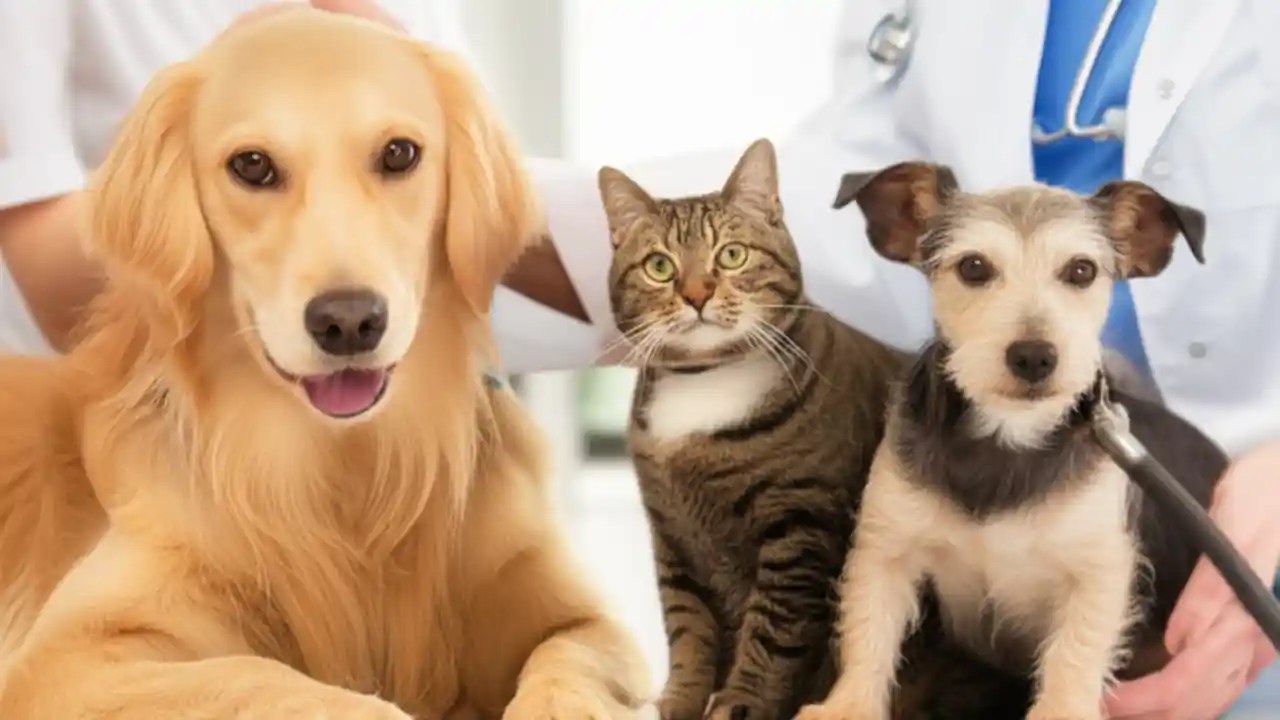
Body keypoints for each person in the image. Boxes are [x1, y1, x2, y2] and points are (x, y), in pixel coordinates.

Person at [1, 0, 1277, 717]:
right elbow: (833, 245)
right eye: (258, 174)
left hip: (1224, 543)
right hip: (982, 541)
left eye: (400, 164)